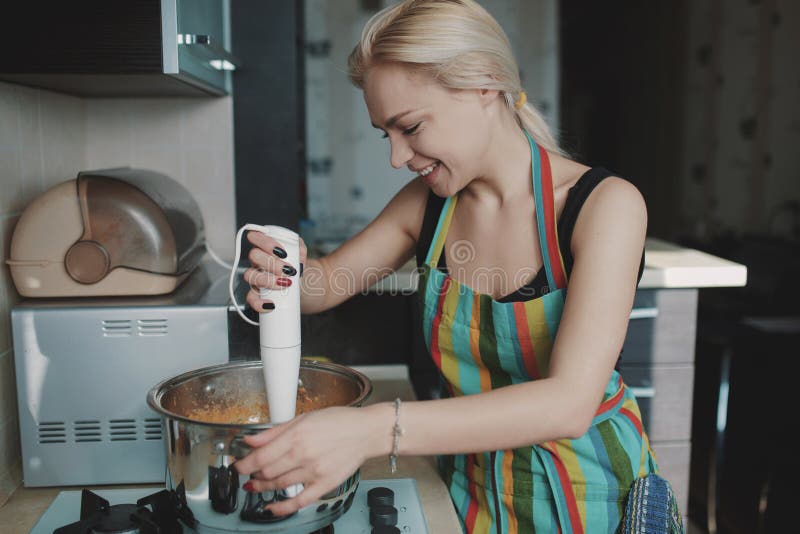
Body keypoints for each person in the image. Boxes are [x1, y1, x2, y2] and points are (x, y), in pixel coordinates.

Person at [235, 1, 679, 532]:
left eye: (411, 127)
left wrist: (370, 431)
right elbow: (327, 284)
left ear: (483, 86)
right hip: (468, 483)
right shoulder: (426, 208)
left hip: (585, 491)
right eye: (386, 135)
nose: (397, 157)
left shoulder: (603, 205)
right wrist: (283, 276)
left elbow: (568, 404)